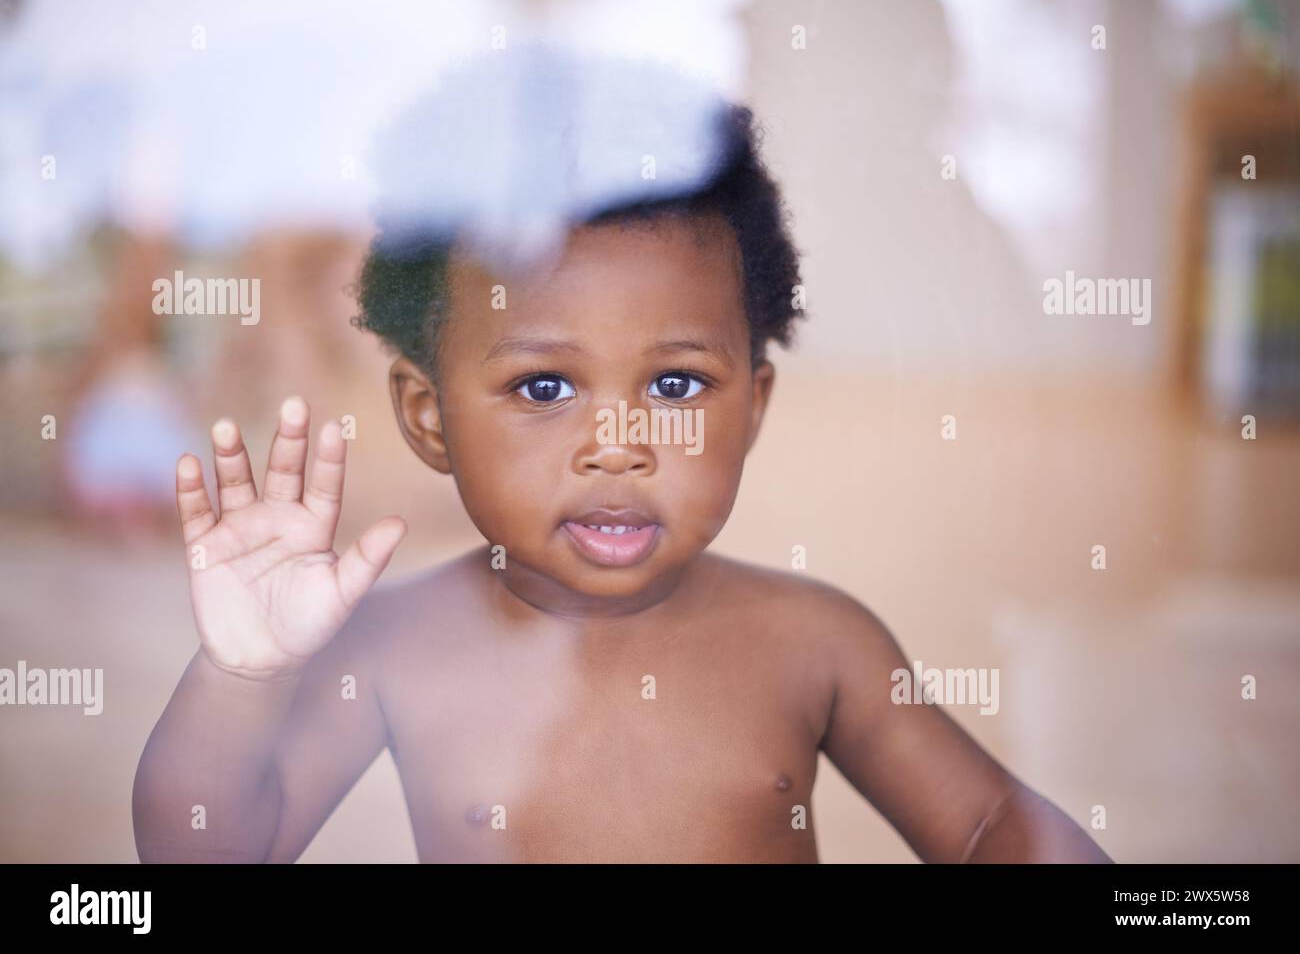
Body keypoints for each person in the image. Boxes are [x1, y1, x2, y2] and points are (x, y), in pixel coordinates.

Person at [132, 56, 1111, 863]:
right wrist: (242, 677)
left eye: (676, 386)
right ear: (430, 421)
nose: (618, 446)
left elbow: (989, 828)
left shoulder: (817, 641)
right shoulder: (395, 647)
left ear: (753, 409)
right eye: (545, 389)